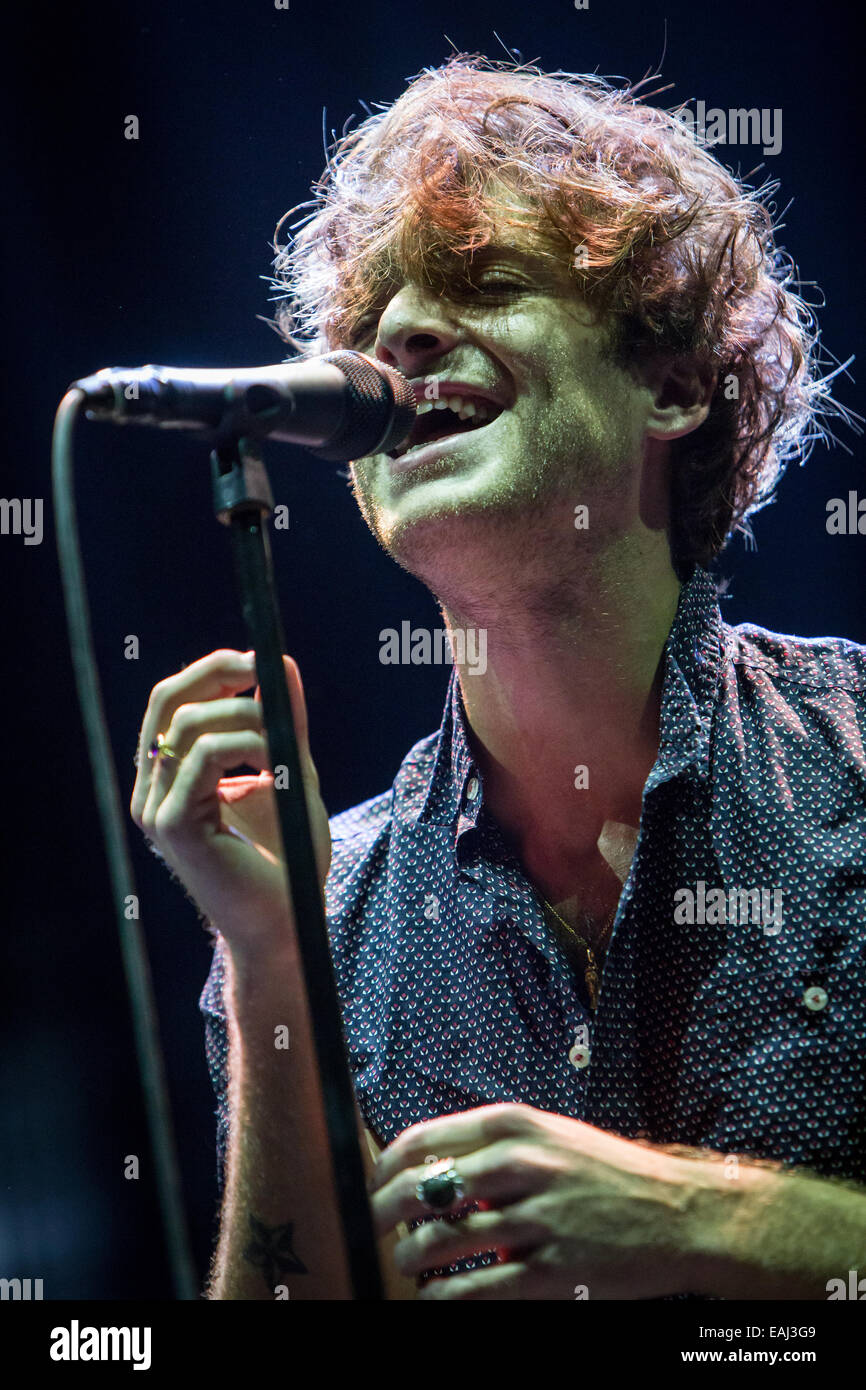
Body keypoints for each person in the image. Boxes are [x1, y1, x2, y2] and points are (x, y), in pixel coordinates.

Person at [131, 55, 866, 1300]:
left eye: (485, 284)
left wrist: (707, 1220)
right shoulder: (333, 903)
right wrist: (272, 956)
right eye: (372, 322)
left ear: (676, 384)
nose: (398, 339)